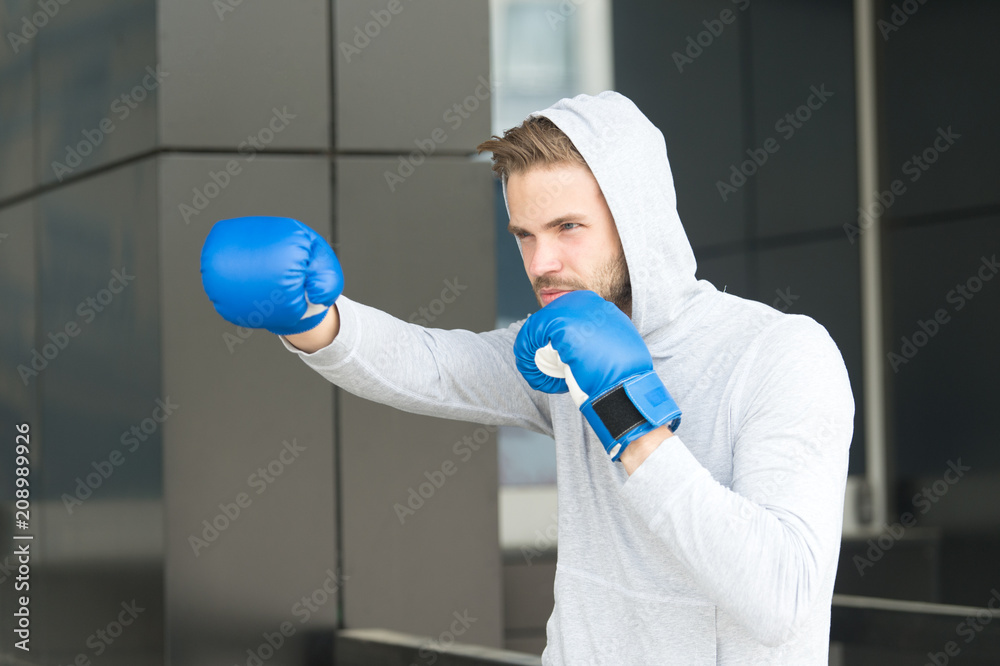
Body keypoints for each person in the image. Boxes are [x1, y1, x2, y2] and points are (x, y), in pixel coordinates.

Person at [200, 91, 855, 664]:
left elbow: (782, 601)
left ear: (638, 220)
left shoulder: (782, 355)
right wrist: (312, 316)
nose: (542, 263)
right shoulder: (559, 355)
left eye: (568, 228)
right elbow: (434, 367)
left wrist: (626, 413)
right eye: (524, 235)